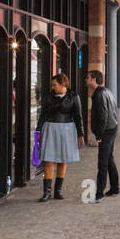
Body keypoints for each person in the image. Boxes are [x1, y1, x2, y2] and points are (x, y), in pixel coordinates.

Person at [35, 73, 84, 201]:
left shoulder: (74, 97)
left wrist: (81, 134)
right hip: (50, 128)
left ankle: (58, 191)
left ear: (63, 84)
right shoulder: (48, 97)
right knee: (49, 160)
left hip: (67, 129)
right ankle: (47, 192)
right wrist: (38, 131)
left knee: (63, 160)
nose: (53, 87)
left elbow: (78, 117)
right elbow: (42, 115)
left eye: (55, 85)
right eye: (52, 85)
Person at [86, 69, 120, 201]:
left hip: (107, 131)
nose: (86, 79)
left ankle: (99, 193)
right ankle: (115, 187)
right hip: (112, 128)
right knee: (109, 158)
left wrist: (99, 134)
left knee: (103, 162)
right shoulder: (107, 91)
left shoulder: (99, 94)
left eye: (88, 77)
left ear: (94, 79)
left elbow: (103, 115)